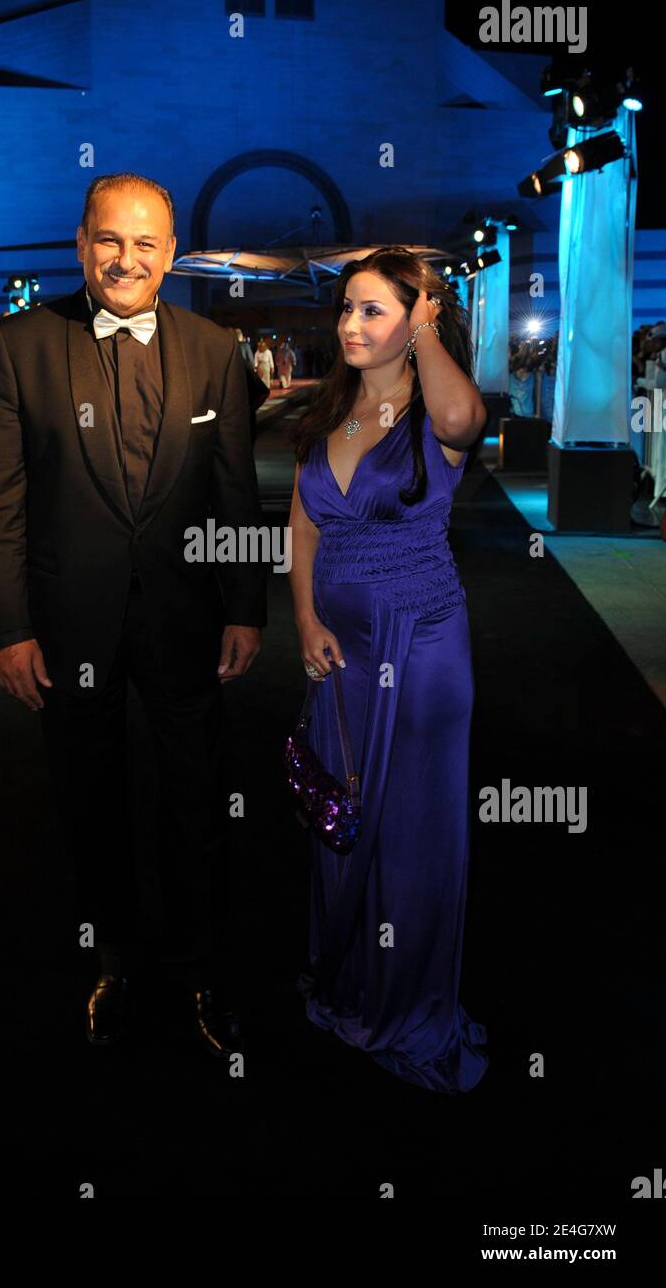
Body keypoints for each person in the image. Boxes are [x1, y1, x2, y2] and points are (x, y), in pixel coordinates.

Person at [0, 172, 266, 1059]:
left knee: (196, 801)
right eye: (109, 240)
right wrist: (10, 629)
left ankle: (200, 965)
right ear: (81, 243)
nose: (125, 259)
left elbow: (234, 492)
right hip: (68, 630)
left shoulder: (216, 348)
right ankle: (112, 963)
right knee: (90, 805)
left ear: (172, 255)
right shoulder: (19, 346)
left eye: (145, 244)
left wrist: (246, 607)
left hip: (187, 620)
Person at [287, 247, 489, 1093]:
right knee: (341, 817)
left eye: (373, 310)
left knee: (407, 834)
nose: (350, 325)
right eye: (346, 309)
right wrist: (301, 617)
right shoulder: (328, 410)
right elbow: (303, 526)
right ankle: (346, 979)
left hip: (424, 650)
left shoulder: (429, 414)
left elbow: (463, 422)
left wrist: (428, 328)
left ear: (415, 319)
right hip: (337, 654)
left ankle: (405, 1001)